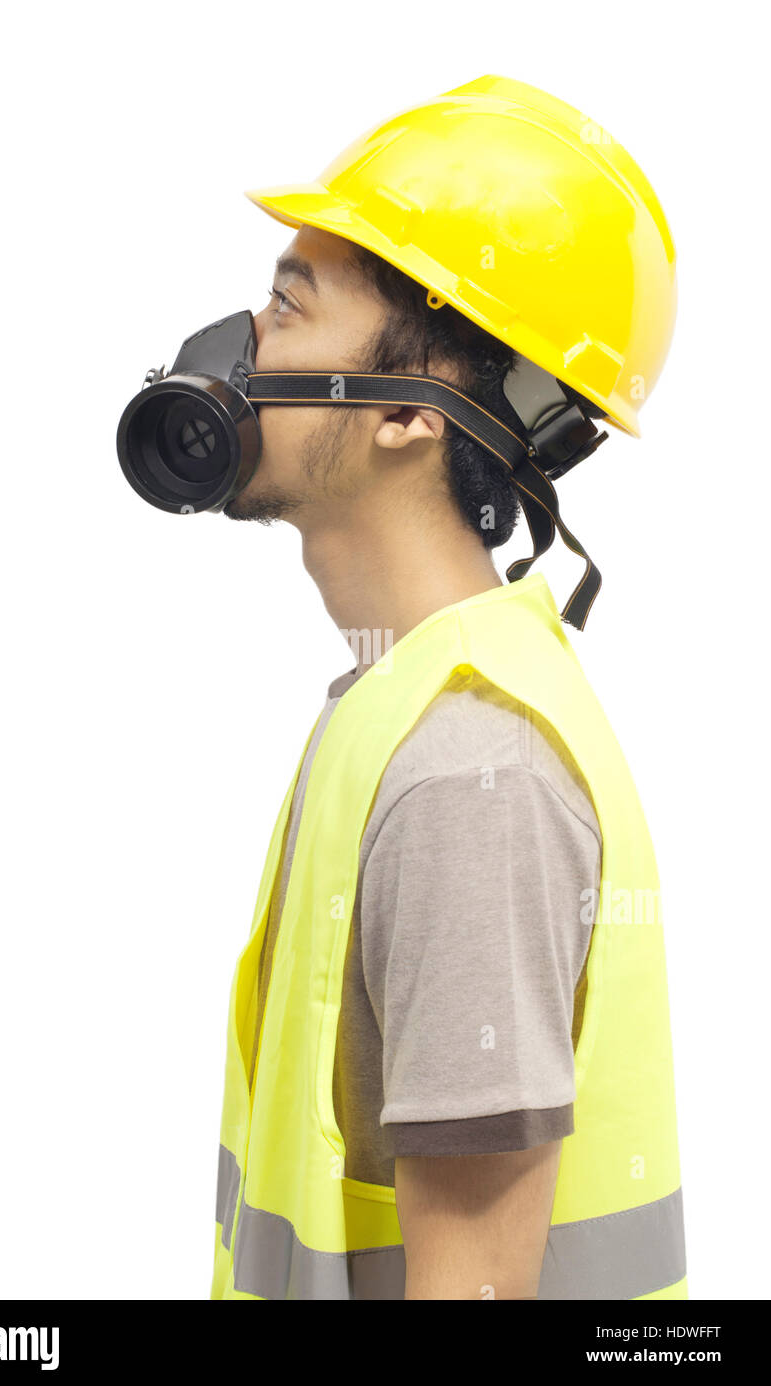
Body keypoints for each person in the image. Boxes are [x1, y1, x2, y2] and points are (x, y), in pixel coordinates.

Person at [209, 75, 687, 1301]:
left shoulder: (465, 775)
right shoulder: (394, 708)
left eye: (286, 307)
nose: (239, 350)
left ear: (410, 418)